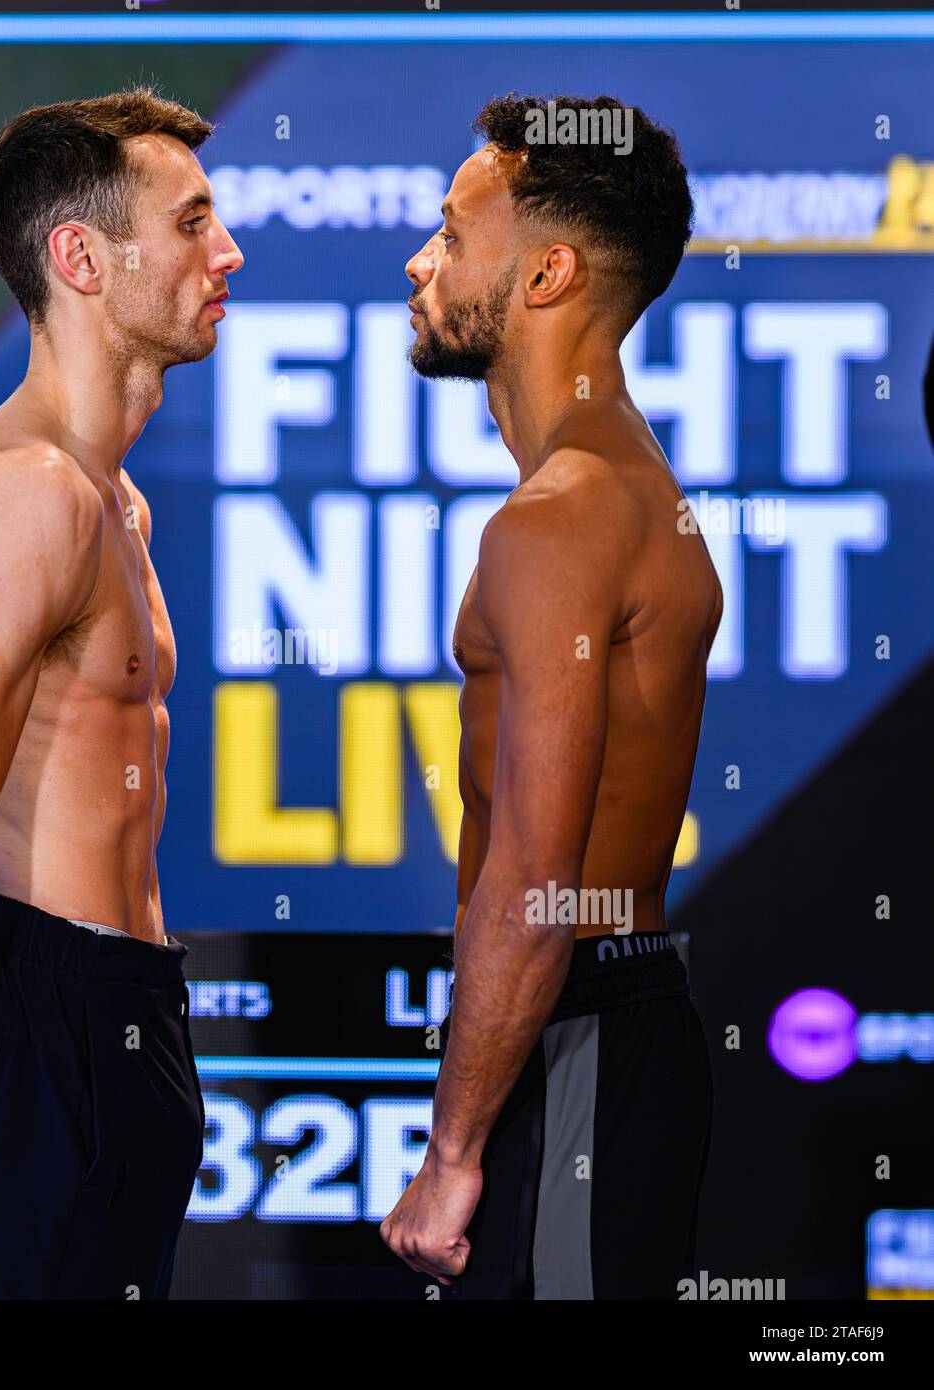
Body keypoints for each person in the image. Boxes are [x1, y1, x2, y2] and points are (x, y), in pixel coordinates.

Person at [0, 87, 243, 1299]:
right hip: (49, 1017)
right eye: (189, 224)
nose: (226, 252)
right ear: (79, 255)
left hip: (115, 1006)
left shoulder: (106, 494)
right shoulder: (28, 494)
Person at [381, 94, 720, 1298]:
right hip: (602, 1022)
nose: (421, 261)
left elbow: (534, 879)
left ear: (547, 273)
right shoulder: (626, 479)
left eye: (452, 232)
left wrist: (452, 1151)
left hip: (573, 1030)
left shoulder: (561, 515)